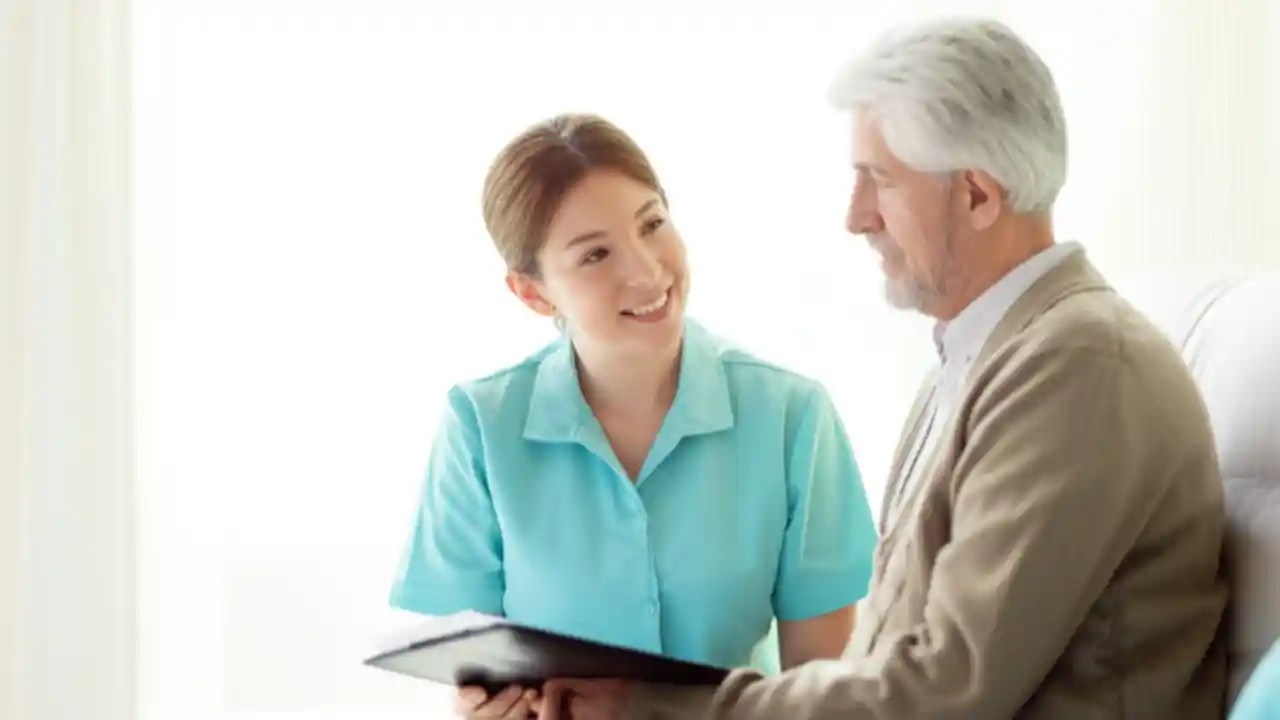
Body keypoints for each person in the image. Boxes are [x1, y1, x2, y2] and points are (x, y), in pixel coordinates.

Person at [535, 17, 1229, 719]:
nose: (856, 216)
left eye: (879, 181)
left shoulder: (1079, 368)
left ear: (979, 196)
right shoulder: (979, 362)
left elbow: (944, 690)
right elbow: (890, 665)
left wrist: (653, 709)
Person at [387, 113, 878, 719]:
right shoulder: (479, 427)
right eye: (595, 255)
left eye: (652, 224)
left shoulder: (791, 417)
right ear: (532, 293)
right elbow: (474, 681)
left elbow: (822, 698)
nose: (647, 271)